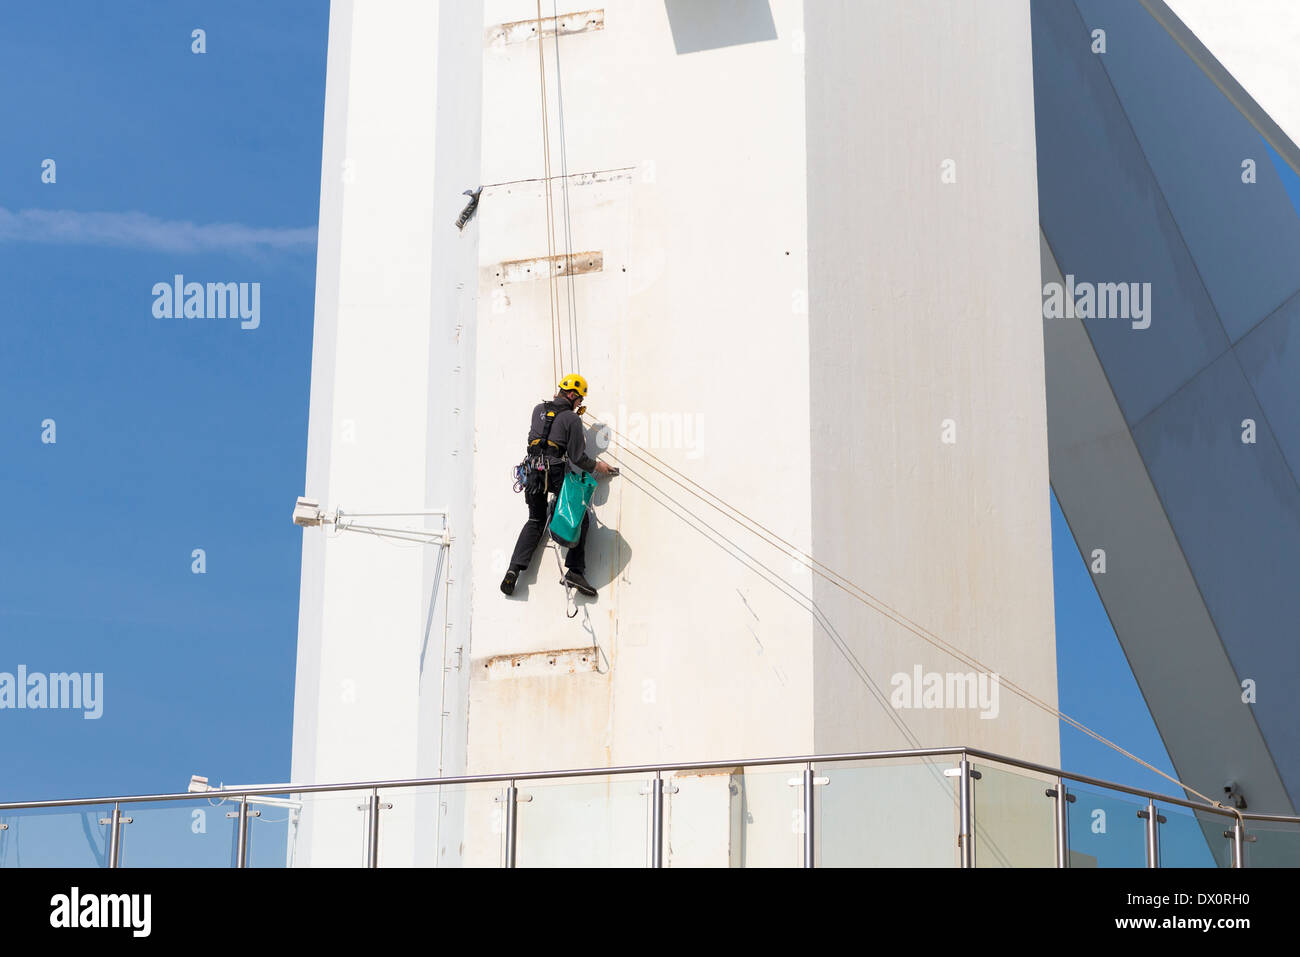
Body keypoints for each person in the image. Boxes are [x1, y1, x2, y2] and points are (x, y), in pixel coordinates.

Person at [501, 374, 614, 597]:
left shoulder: (537, 410)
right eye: (579, 400)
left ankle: (513, 570)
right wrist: (597, 466)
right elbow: (577, 457)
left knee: (535, 520)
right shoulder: (572, 419)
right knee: (579, 515)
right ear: (571, 394)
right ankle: (575, 570)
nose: (580, 404)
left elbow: (534, 438)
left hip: (532, 472)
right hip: (553, 473)